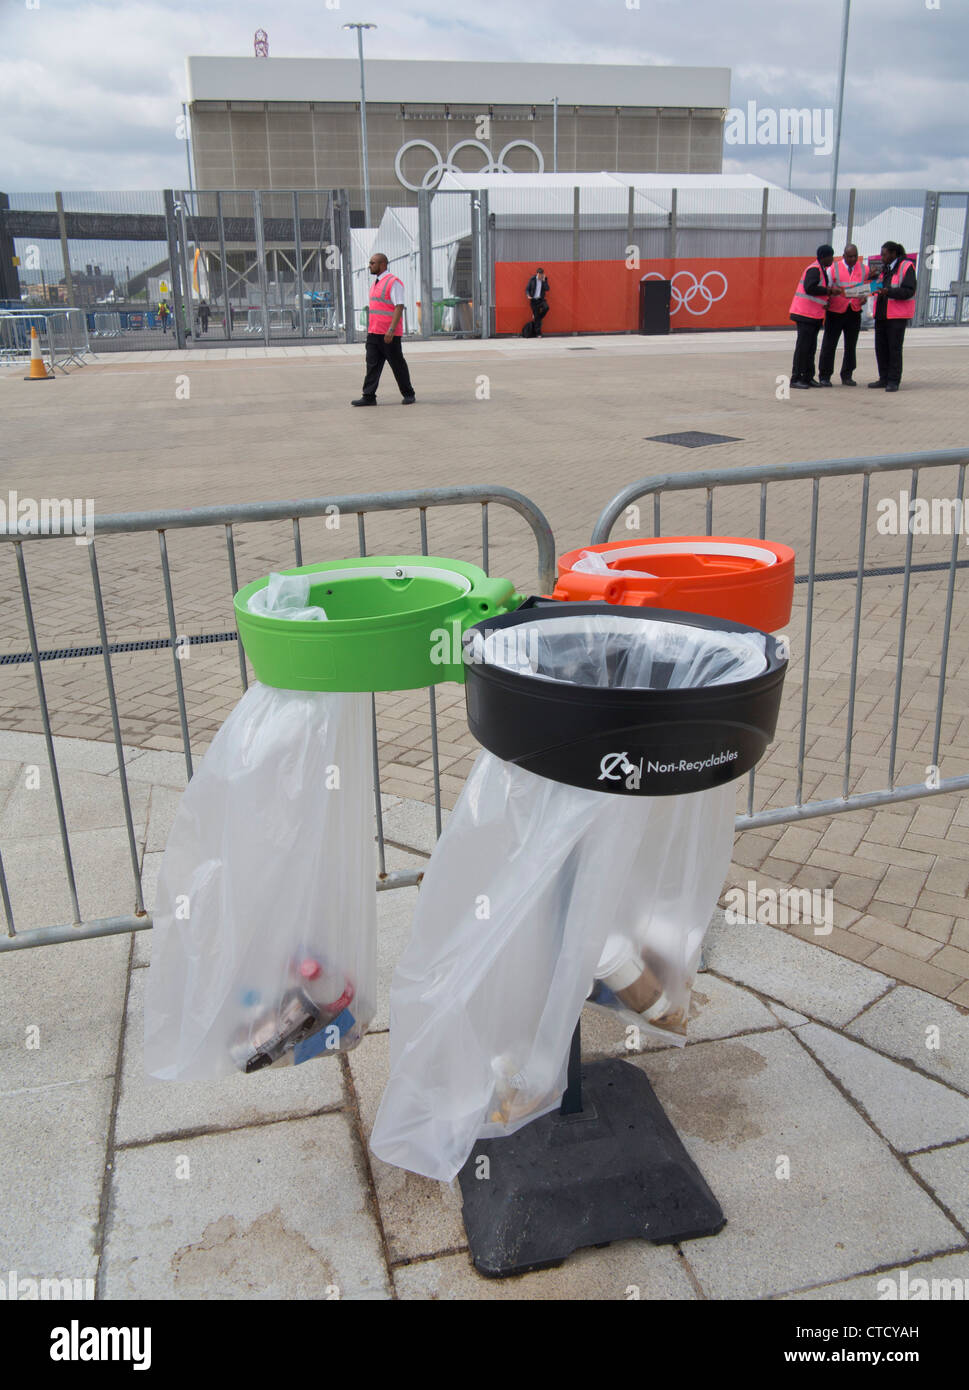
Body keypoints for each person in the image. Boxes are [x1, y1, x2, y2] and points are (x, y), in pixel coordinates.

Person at [352, 252, 415, 406]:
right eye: (370, 262)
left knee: (397, 364)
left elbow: (399, 307)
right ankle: (368, 396)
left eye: (373, 263)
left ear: (383, 264)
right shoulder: (376, 283)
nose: (369, 266)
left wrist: (391, 330)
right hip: (374, 333)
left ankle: (408, 394)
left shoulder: (393, 282)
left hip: (388, 334)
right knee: (372, 365)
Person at [869, 241, 917, 392]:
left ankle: (893, 380)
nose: (882, 257)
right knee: (881, 348)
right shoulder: (885, 269)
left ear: (893, 254)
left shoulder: (906, 266)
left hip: (896, 316)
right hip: (882, 315)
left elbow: (909, 290)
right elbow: (876, 288)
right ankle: (883, 378)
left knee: (894, 349)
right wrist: (870, 281)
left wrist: (888, 292)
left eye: (884, 254)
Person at [818, 244, 864, 386]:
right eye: (850, 256)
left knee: (851, 345)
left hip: (854, 311)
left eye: (855, 256)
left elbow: (869, 285)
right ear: (843, 256)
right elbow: (828, 287)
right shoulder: (834, 268)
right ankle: (825, 376)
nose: (853, 259)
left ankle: (847, 374)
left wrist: (865, 296)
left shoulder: (863, 268)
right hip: (835, 311)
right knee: (829, 344)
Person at [789, 245, 834, 388]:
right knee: (803, 347)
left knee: (810, 347)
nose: (832, 259)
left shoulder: (821, 270)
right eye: (831, 256)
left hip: (813, 315)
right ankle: (796, 378)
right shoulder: (814, 269)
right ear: (825, 257)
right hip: (805, 314)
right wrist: (828, 290)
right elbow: (809, 288)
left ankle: (808, 376)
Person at [526, 267, 550, 335]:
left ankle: (537, 317)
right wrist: (528, 295)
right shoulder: (532, 279)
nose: (540, 276)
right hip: (533, 300)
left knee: (546, 307)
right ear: (537, 274)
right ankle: (538, 333)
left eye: (541, 275)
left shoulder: (544, 279)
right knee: (536, 317)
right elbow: (527, 289)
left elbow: (547, 289)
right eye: (539, 275)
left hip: (541, 300)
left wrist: (544, 281)